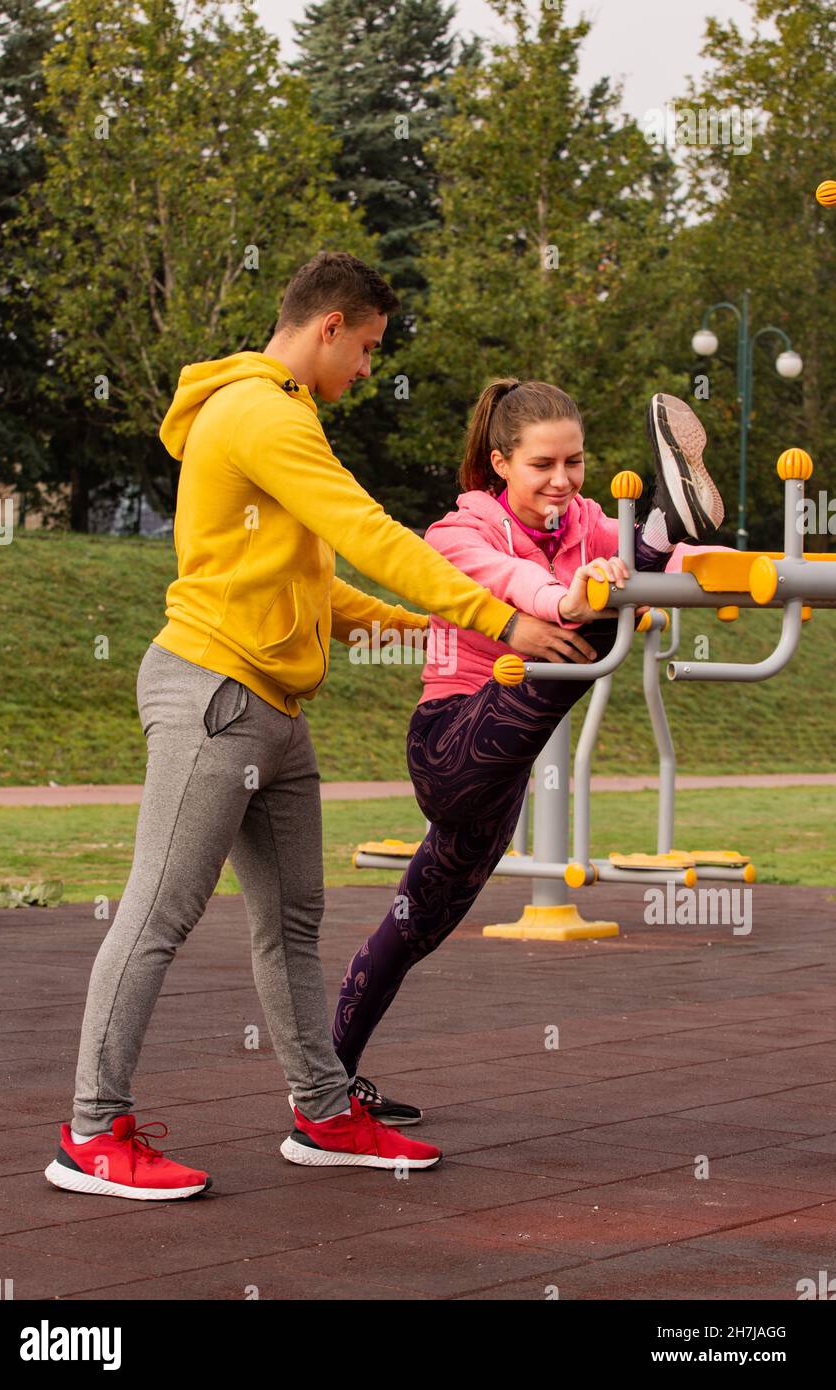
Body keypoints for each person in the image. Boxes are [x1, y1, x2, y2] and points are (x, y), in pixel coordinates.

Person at [43, 253, 586, 1199]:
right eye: (369, 348)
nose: (370, 371)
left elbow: (314, 582)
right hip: (212, 692)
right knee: (160, 911)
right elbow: (368, 531)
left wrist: (431, 620)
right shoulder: (263, 412)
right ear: (329, 326)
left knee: (294, 924)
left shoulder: (269, 413)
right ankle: (92, 1131)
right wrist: (500, 615)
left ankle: (325, 1111)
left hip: (273, 711)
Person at [331, 381, 726, 1125]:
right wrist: (577, 595)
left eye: (575, 462)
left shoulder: (587, 526)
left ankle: (324, 1084)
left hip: (500, 782)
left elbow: (668, 571)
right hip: (452, 746)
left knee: (410, 929)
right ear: (500, 462)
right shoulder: (457, 534)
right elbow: (516, 583)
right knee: (604, 612)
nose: (563, 480)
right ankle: (664, 519)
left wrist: (720, 564)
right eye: (544, 463)